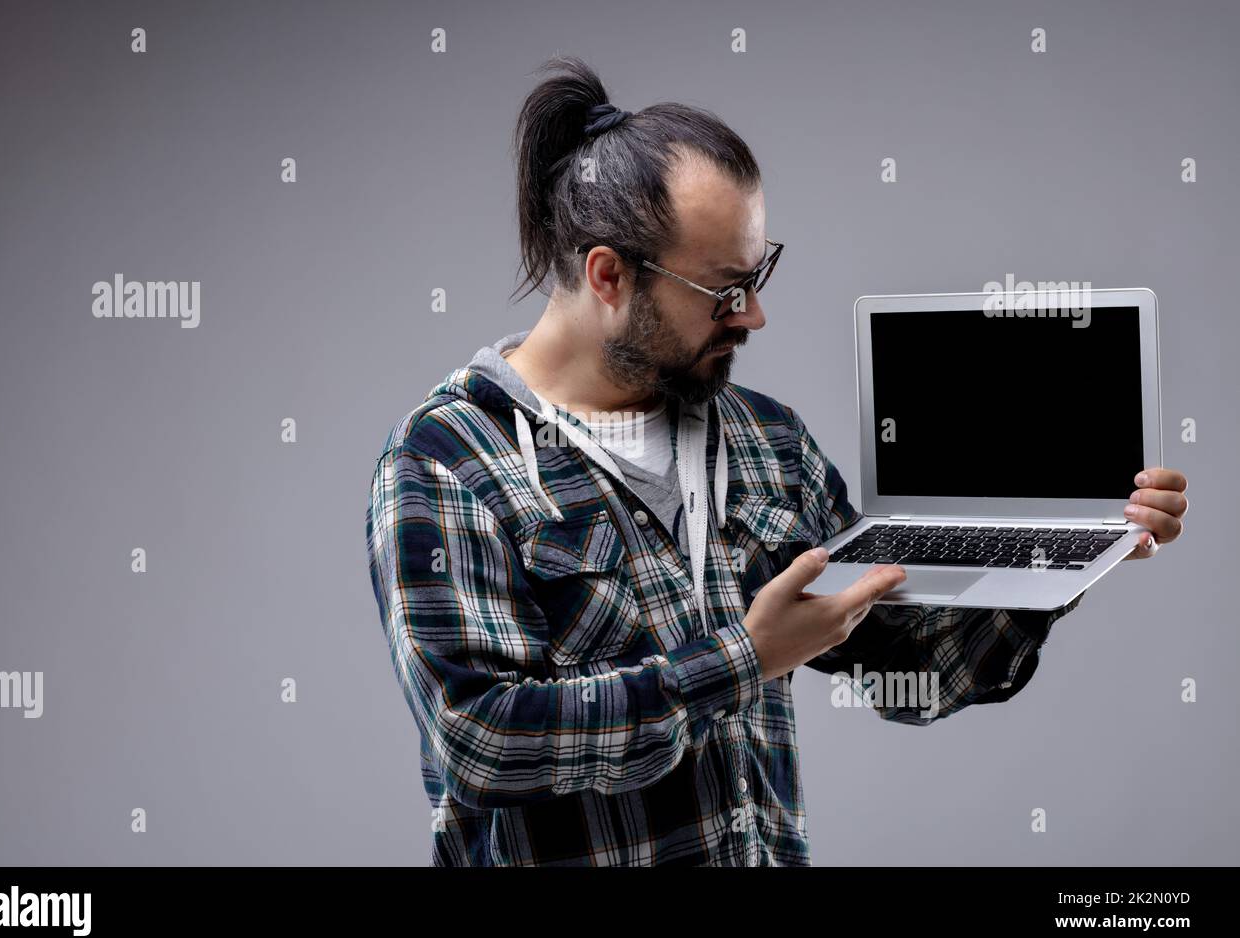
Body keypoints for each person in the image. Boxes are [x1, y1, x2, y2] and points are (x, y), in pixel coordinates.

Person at [365, 55, 1189, 866]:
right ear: (609, 275)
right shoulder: (448, 461)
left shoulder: (768, 443)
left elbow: (913, 673)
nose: (754, 316)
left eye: (760, 275)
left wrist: (1063, 557)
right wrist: (748, 658)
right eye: (725, 288)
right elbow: (484, 742)